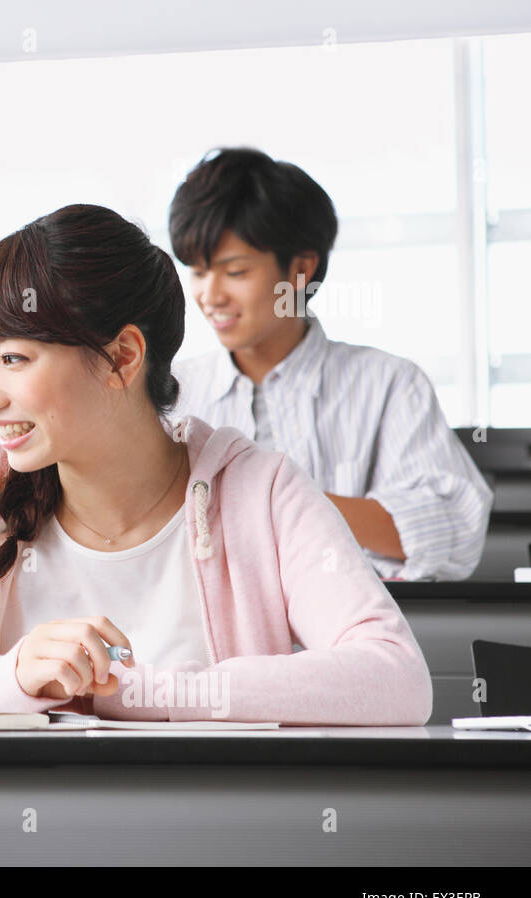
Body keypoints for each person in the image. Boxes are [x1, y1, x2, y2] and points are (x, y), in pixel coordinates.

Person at [0, 203, 432, 725]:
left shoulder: (263, 492)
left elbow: (396, 678)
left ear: (122, 357)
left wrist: (150, 694)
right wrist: (8, 677)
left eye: (13, 358)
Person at [168, 146, 492, 581]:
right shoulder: (174, 392)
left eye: (235, 271)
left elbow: (450, 526)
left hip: (352, 640)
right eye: (199, 271)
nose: (211, 295)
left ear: (301, 269)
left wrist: (280, 500)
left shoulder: (388, 384)